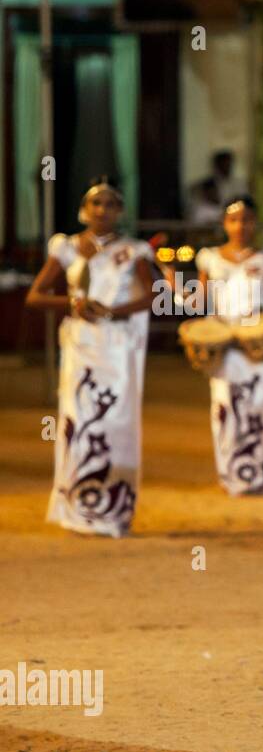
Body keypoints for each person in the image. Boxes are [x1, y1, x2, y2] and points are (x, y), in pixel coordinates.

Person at [25, 178, 154, 537]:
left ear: (120, 211)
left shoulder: (134, 250)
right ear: (85, 209)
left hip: (118, 347)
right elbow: (35, 296)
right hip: (81, 348)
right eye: (97, 203)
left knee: (115, 420)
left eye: (110, 204)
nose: (103, 210)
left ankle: (112, 508)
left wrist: (112, 311)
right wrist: (73, 305)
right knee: (79, 422)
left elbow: (151, 296)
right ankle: (78, 507)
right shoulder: (65, 248)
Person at [194, 196, 263, 495]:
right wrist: (176, 290)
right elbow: (202, 302)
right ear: (225, 223)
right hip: (225, 346)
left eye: (247, 219)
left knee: (260, 408)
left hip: (260, 348)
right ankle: (232, 475)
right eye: (234, 219)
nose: (241, 226)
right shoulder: (209, 258)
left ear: (256, 224)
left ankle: (260, 475)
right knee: (226, 408)